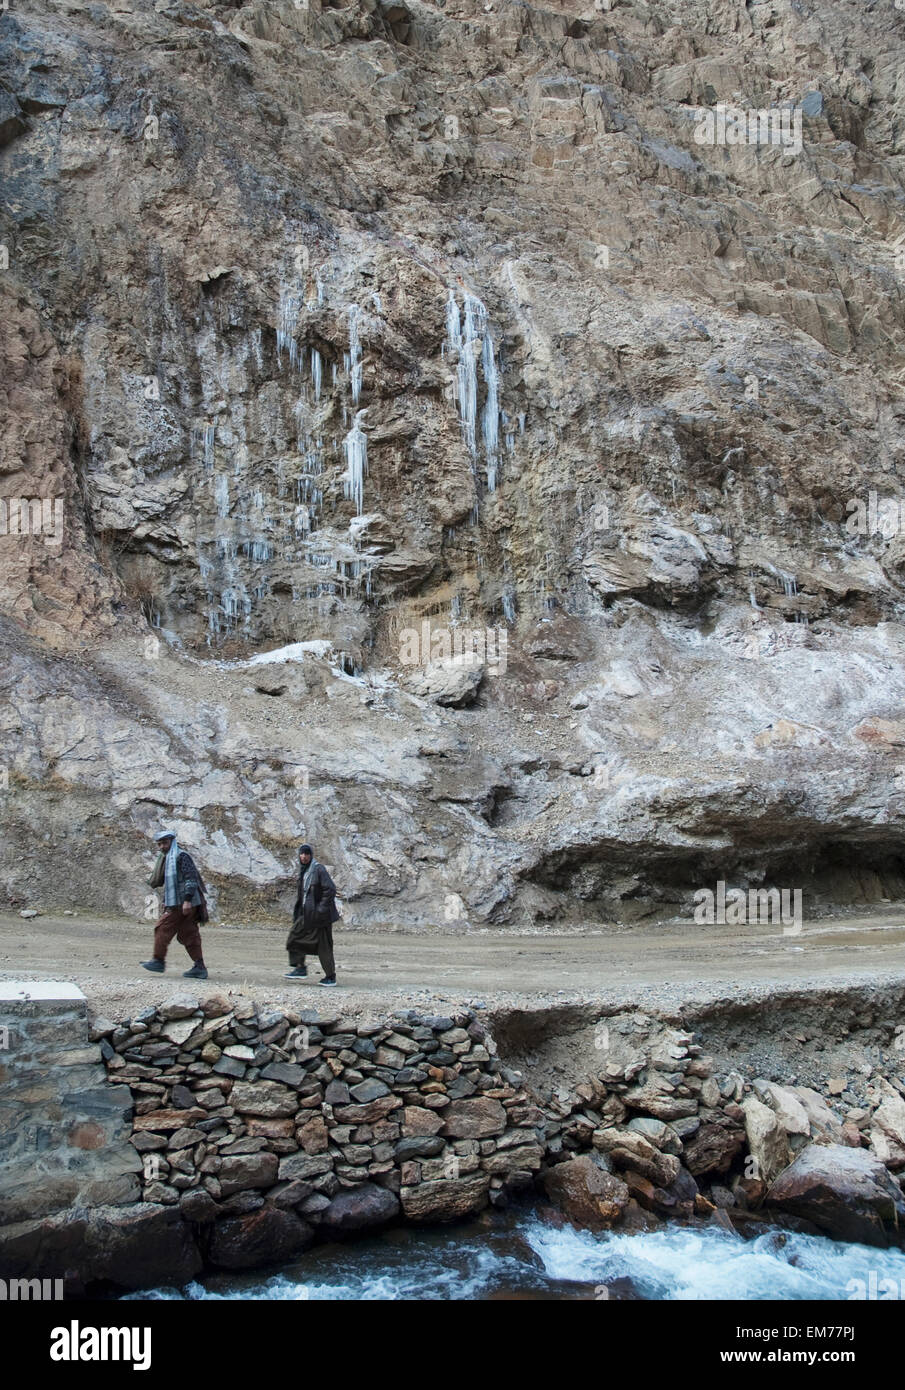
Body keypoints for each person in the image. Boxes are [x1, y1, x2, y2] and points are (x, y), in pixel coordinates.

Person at [141, 830, 209, 979]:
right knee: (189, 933)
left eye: (164, 843)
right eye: (159, 844)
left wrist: (187, 900)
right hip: (184, 903)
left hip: (183, 904)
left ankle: (158, 961)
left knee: (162, 928)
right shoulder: (169, 858)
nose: (161, 847)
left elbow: (190, 879)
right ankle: (200, 967)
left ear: (172, 842)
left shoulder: (181, 856)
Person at [285, 843, 339, 986]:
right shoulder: (304, 871)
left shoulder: (318, 869)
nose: (303, 857)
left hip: (321, 918)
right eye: (302, 854)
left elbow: (330, 889)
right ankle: (300, 967)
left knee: (324, 947)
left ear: (311, 855)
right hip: (307, 914)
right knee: (294, 937)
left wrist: (321, 909)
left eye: (306, 854)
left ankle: (330, 977)